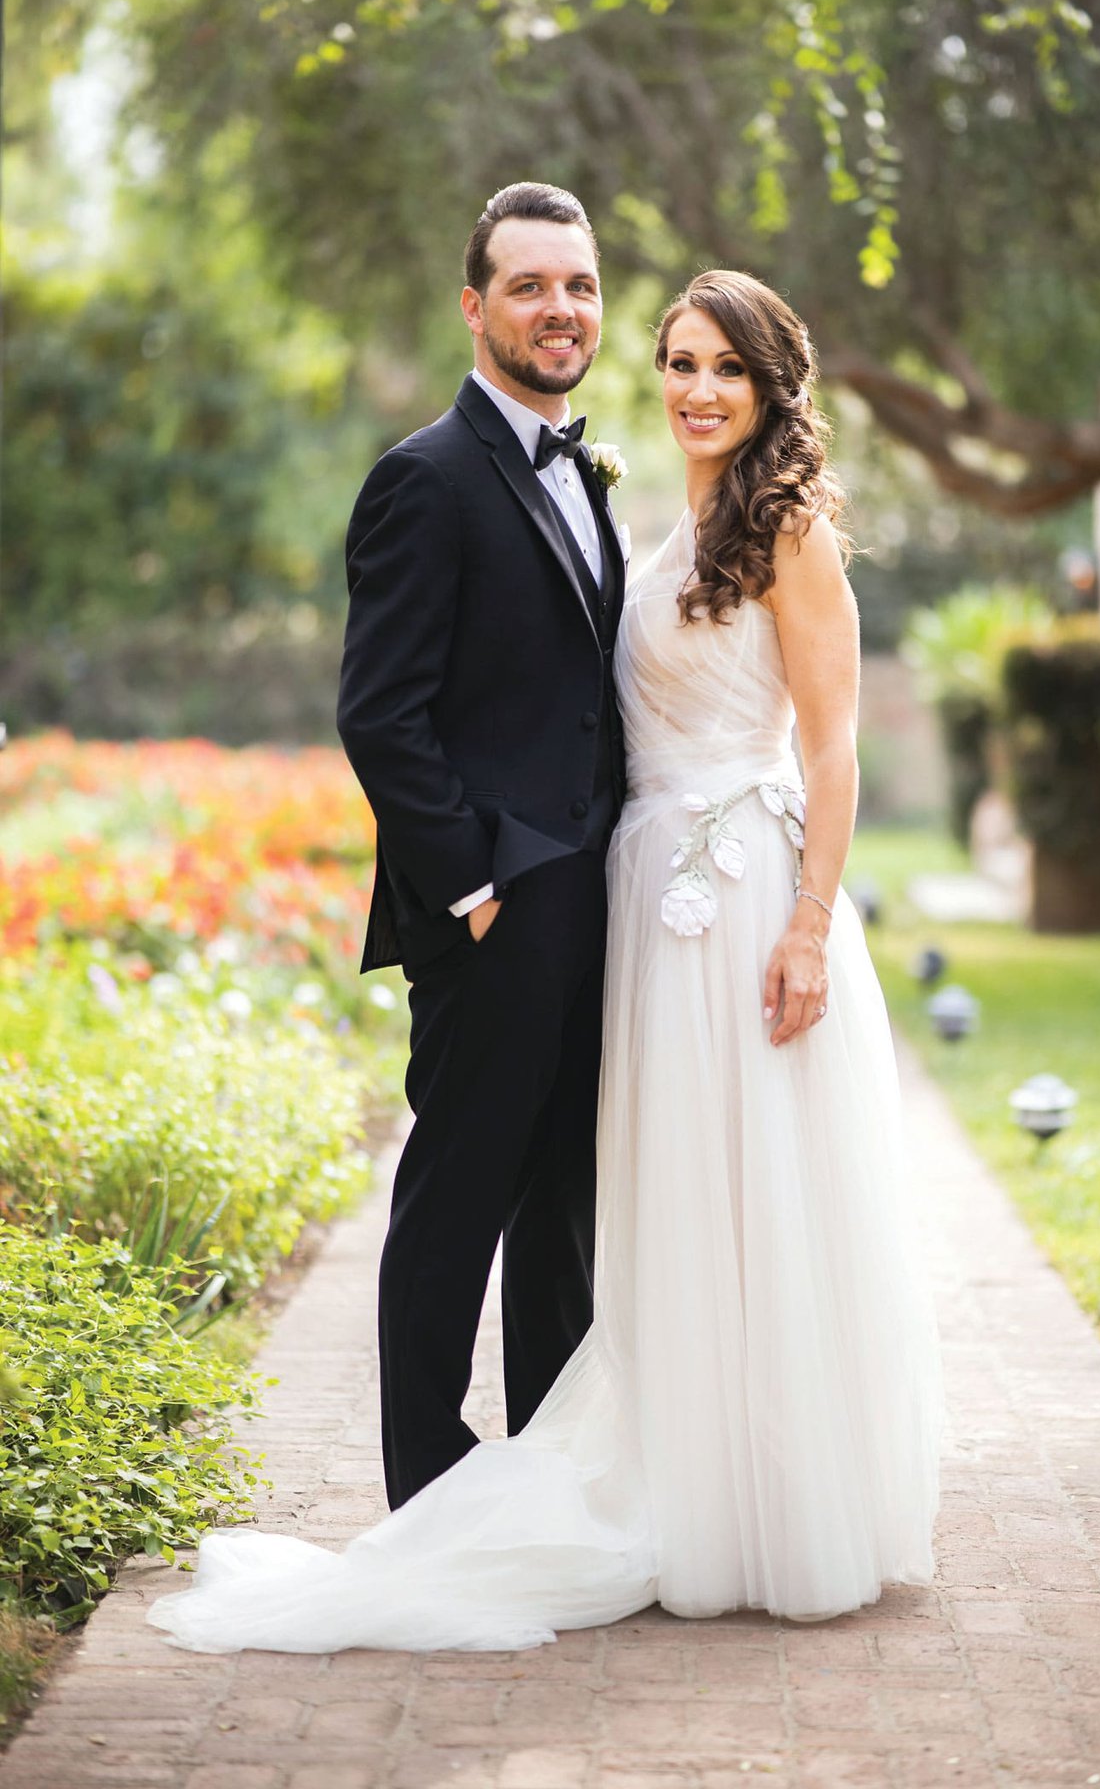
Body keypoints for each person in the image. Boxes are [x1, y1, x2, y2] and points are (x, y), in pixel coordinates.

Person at [146, 268, 945, 1655]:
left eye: (729, 371)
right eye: (682, 362)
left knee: (753, 1191)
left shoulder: (793, 529)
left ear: (772, 391)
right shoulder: (651, 513)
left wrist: (811, 922)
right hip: (626, 895)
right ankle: (641, 1479)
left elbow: (831, 747)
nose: (699, 388)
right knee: (652, 1195)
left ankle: (770, 1497)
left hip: (748, 896)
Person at [333, 180, 626, 1510]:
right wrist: (474, 885)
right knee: (456, 1205)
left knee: (562, 1207)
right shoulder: (425, 478)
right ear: (475, 305)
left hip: (597, 906)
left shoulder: (584, 467)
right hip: (495, 912)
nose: (557, 307)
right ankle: (432, 1493)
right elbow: (380, 716)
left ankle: (552, 1484)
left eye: (577, 284)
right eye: (529, 284)